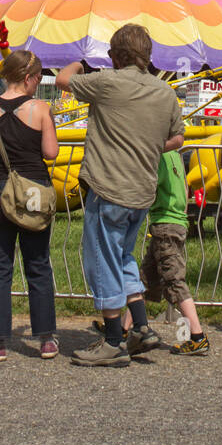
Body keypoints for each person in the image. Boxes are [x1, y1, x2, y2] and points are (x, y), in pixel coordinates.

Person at [56, 23, 184, 367]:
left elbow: (62, 80)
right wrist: (146, 145)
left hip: (107, 187)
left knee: (101, 261)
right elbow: (176, 139)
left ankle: (112, 340)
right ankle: (140, 326)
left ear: (115, 55)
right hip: (141, 192)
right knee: (123, 257)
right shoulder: (164, 92)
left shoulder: (107, 82)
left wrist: (81, 62)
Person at [0, 49, 59, 360]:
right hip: (32, 189)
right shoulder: (40, 108)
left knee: (0, 267)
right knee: (38, 265)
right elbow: (51, 152)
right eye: (38, 78)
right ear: (30, 78)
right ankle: (46, 339)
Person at [138, 149, 208, 355]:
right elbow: (184, 188)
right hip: (175, 221)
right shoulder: (175, 155)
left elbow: (149, 186)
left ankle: (197, 336)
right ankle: (127, 329)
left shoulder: (158, 155)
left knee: (173, 280)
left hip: (165, 224)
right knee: (144, 280)